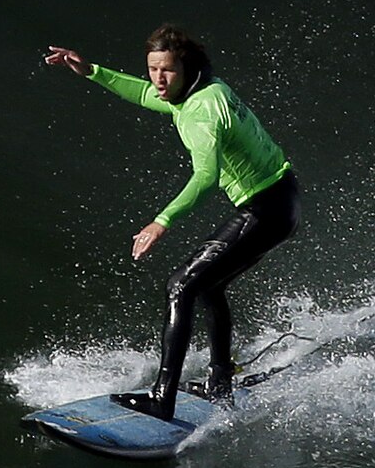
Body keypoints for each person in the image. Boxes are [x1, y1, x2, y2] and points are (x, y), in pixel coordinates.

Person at [43, 25, 299, 422]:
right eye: (153, 69)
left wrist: (161, 222)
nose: (158, 80)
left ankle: (163, 399)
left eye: (168, 71)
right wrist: (92, 70)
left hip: (265, 209)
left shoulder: (201, 111)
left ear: (187, 69)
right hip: (281, 200)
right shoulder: (204, 89)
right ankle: (219, 380)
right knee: (208, 286)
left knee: (181, 285)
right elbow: (146, 95)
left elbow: (206, 176)